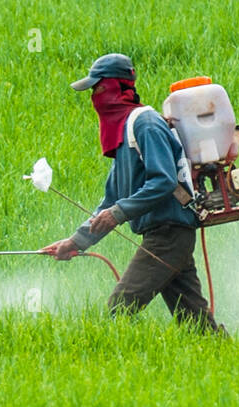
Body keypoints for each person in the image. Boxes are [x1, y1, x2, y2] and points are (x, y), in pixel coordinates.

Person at [41, 53, 223, 334]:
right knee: (195, 323)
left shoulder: (145, 124)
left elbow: (162, 181)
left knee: (120, 309)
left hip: (169, 234)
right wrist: (76, 241)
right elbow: (111, 201)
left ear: (117, 87)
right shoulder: (125, 134)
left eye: (97, 88)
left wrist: (119, 213)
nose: (94, 97)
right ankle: (223, 358)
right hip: (165, 234)